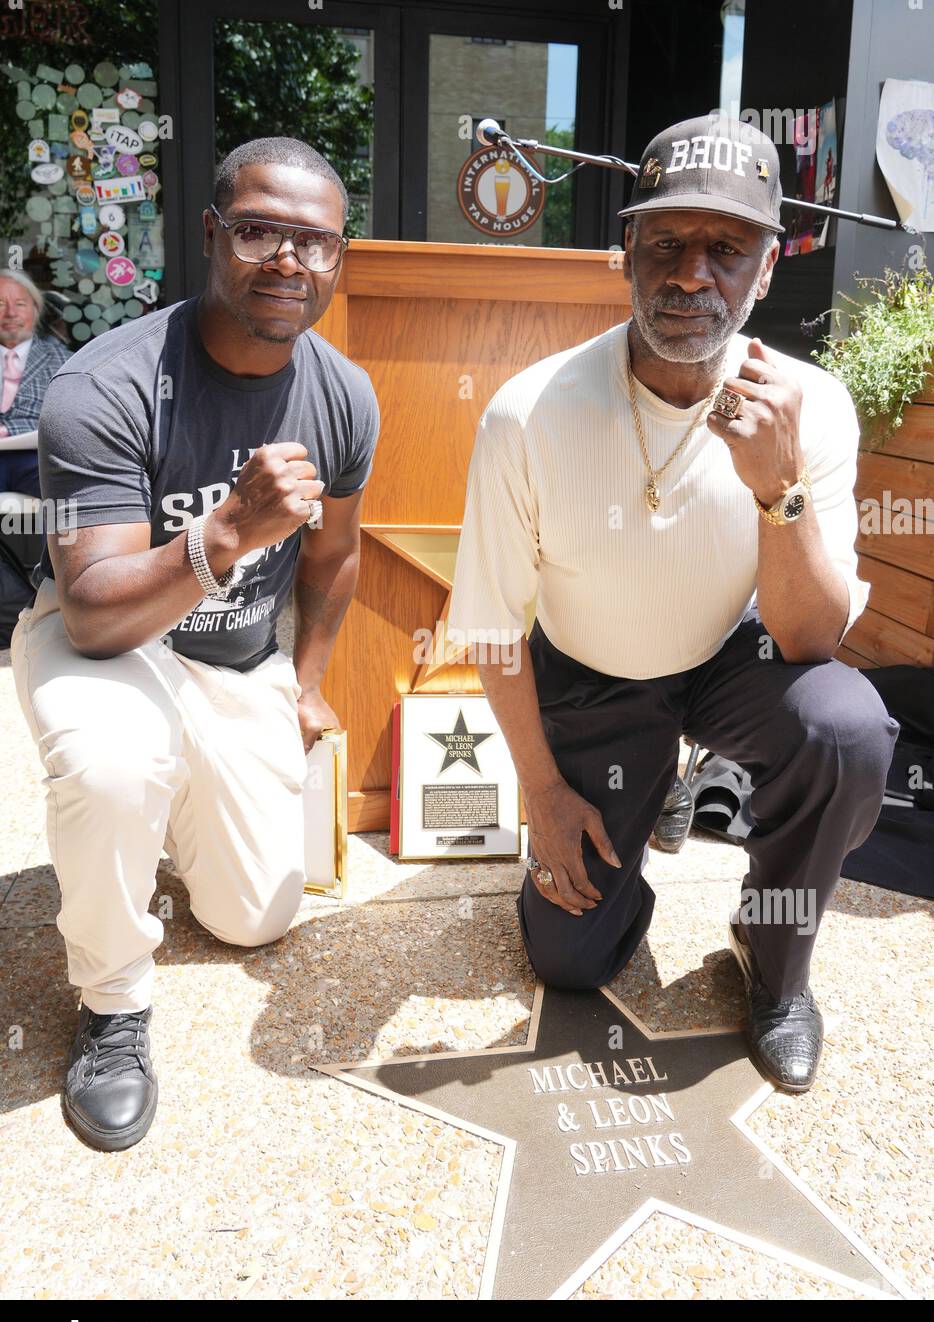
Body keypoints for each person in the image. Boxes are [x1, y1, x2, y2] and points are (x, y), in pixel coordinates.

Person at [448, 115, 899, 1096]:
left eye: (726, 249)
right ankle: (642, 803)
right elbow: (490, 624)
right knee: (568, 959)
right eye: (666, 244)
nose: (692, 275)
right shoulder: (529, 413)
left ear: (767, 269)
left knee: (845, 729)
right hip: (593, 666)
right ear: (626, 255)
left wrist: (776, 489)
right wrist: (542, 790)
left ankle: (773, 960)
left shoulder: (809, 406)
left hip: (735, 652)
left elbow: (810, 637)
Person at [10, 137, 379, 1151]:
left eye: (316, 243)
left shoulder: (344, 395)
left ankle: (162, 813)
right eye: (261, 230)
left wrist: (304, 683)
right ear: (213, 235)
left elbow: (335, 559)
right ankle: (113, 1006)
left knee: (257, 915)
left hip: (235, 665)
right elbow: (90, 606)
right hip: (108, 650)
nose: (288, 261)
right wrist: (224, 533)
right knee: (112, 761)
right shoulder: (107, 385)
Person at [0, 268, 72, 497]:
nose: (11, 313)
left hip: (38, 458)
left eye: (20, 304)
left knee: (66, 495)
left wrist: (8, 430)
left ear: (36, 310)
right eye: (0, 304)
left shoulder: (64, 360)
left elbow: (71, 420)